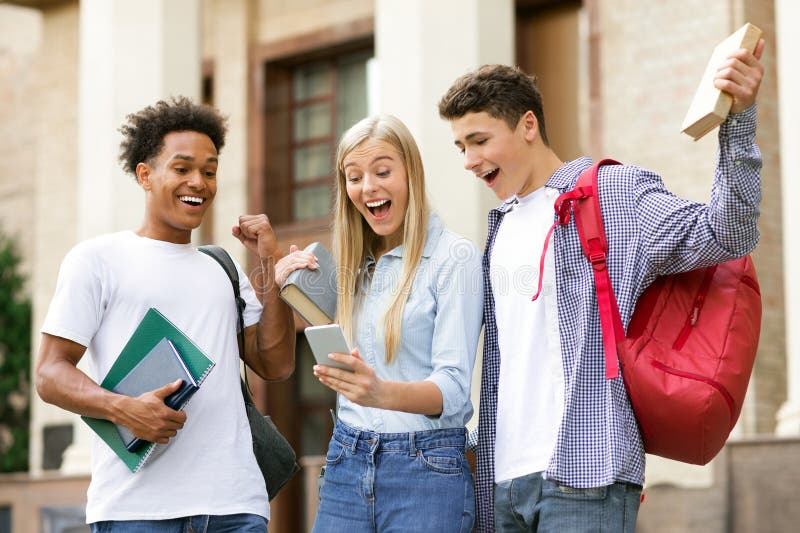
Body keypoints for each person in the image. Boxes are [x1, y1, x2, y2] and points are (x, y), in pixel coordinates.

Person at [437, 40, 766, 532]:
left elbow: (728, 232)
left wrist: (738, 123)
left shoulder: (611, 193)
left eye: (479, 141)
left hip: (585, 474)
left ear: (528, 125)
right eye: (461, 146)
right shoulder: (499, 227)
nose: (468, 160)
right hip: (499, 485)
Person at [35, 97, 296, 532]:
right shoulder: (98, 259)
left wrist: (269, 263)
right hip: (136, 511)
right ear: (145, 175)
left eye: (210, 171)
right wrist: (123, 409)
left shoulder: (223, 270)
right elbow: (49, 373)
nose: (199, 181)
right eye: (182, 168)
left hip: (235, 507)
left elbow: (276, 364)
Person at [276, 114, 483, 532]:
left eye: (382, 171)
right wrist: (284, 285)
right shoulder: (353, 265)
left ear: (411, 174)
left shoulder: (454, 259)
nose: (367, 186)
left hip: (426, 469)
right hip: (346, 459)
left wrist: (380, 393)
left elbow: (455, 392)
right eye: (354, 177)